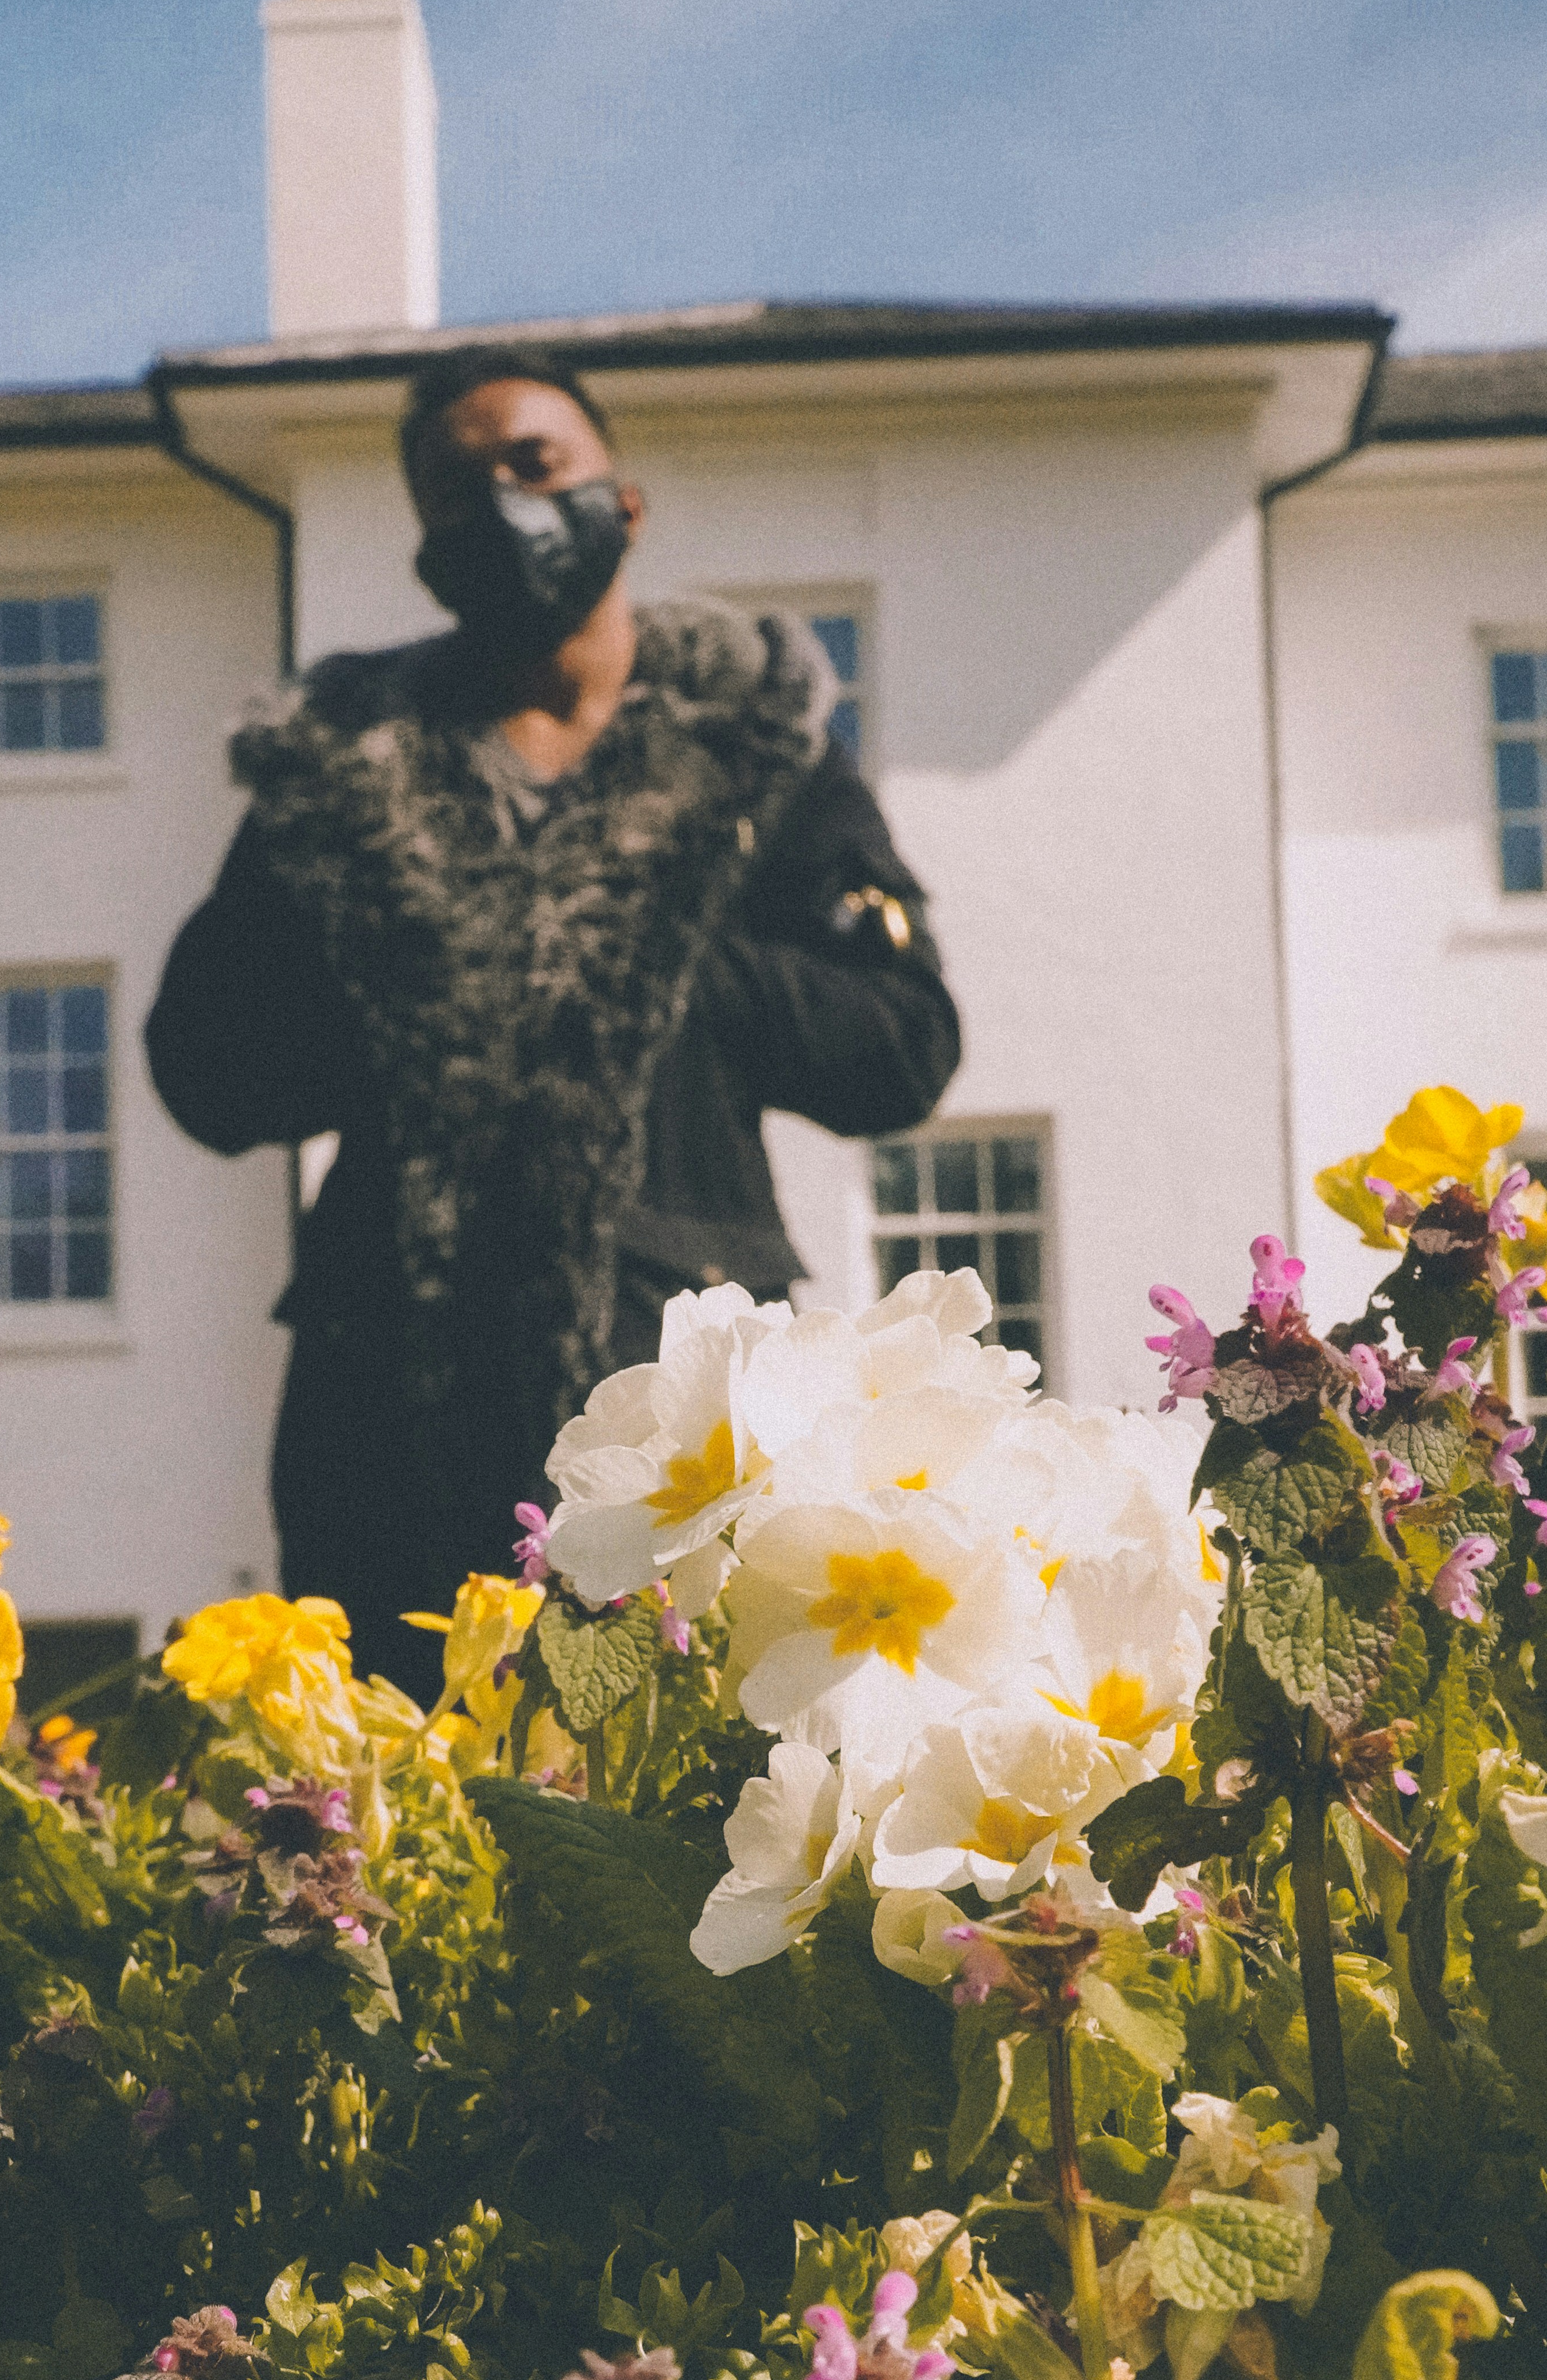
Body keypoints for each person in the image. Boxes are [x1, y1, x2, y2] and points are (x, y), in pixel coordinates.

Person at [145, 345, 961, 1695]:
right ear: (428, 552)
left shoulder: (755, 746)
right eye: (456, 490)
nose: (505, 505)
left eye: (535, 464)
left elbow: (907, 1043)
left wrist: (673, 965)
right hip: (385, 1395)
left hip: (683, 1385)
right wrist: (409, 981)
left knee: (677, 1794)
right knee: (401, 1812)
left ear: (620, 500)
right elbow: (204, 1070)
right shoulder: (338, 768)